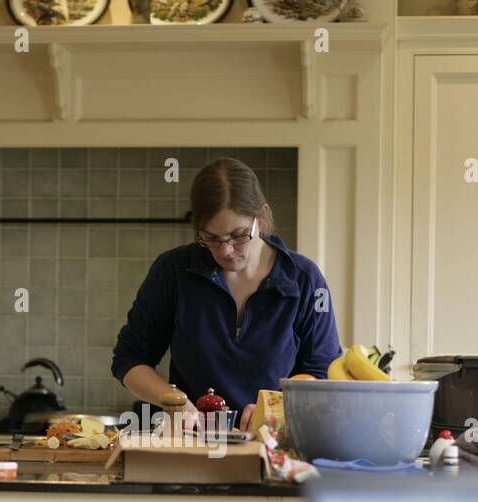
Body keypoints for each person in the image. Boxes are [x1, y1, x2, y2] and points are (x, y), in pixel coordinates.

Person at [111, 158, 342, 431]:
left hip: (271, 445)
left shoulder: (305, 279)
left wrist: (275, 406)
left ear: (262, 217)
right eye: (211, 238)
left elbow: (323, 374)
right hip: (189, 447)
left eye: (239, 235)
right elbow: (130, 358)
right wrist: (173, 401)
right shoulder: (173, 271)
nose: (226, 251)